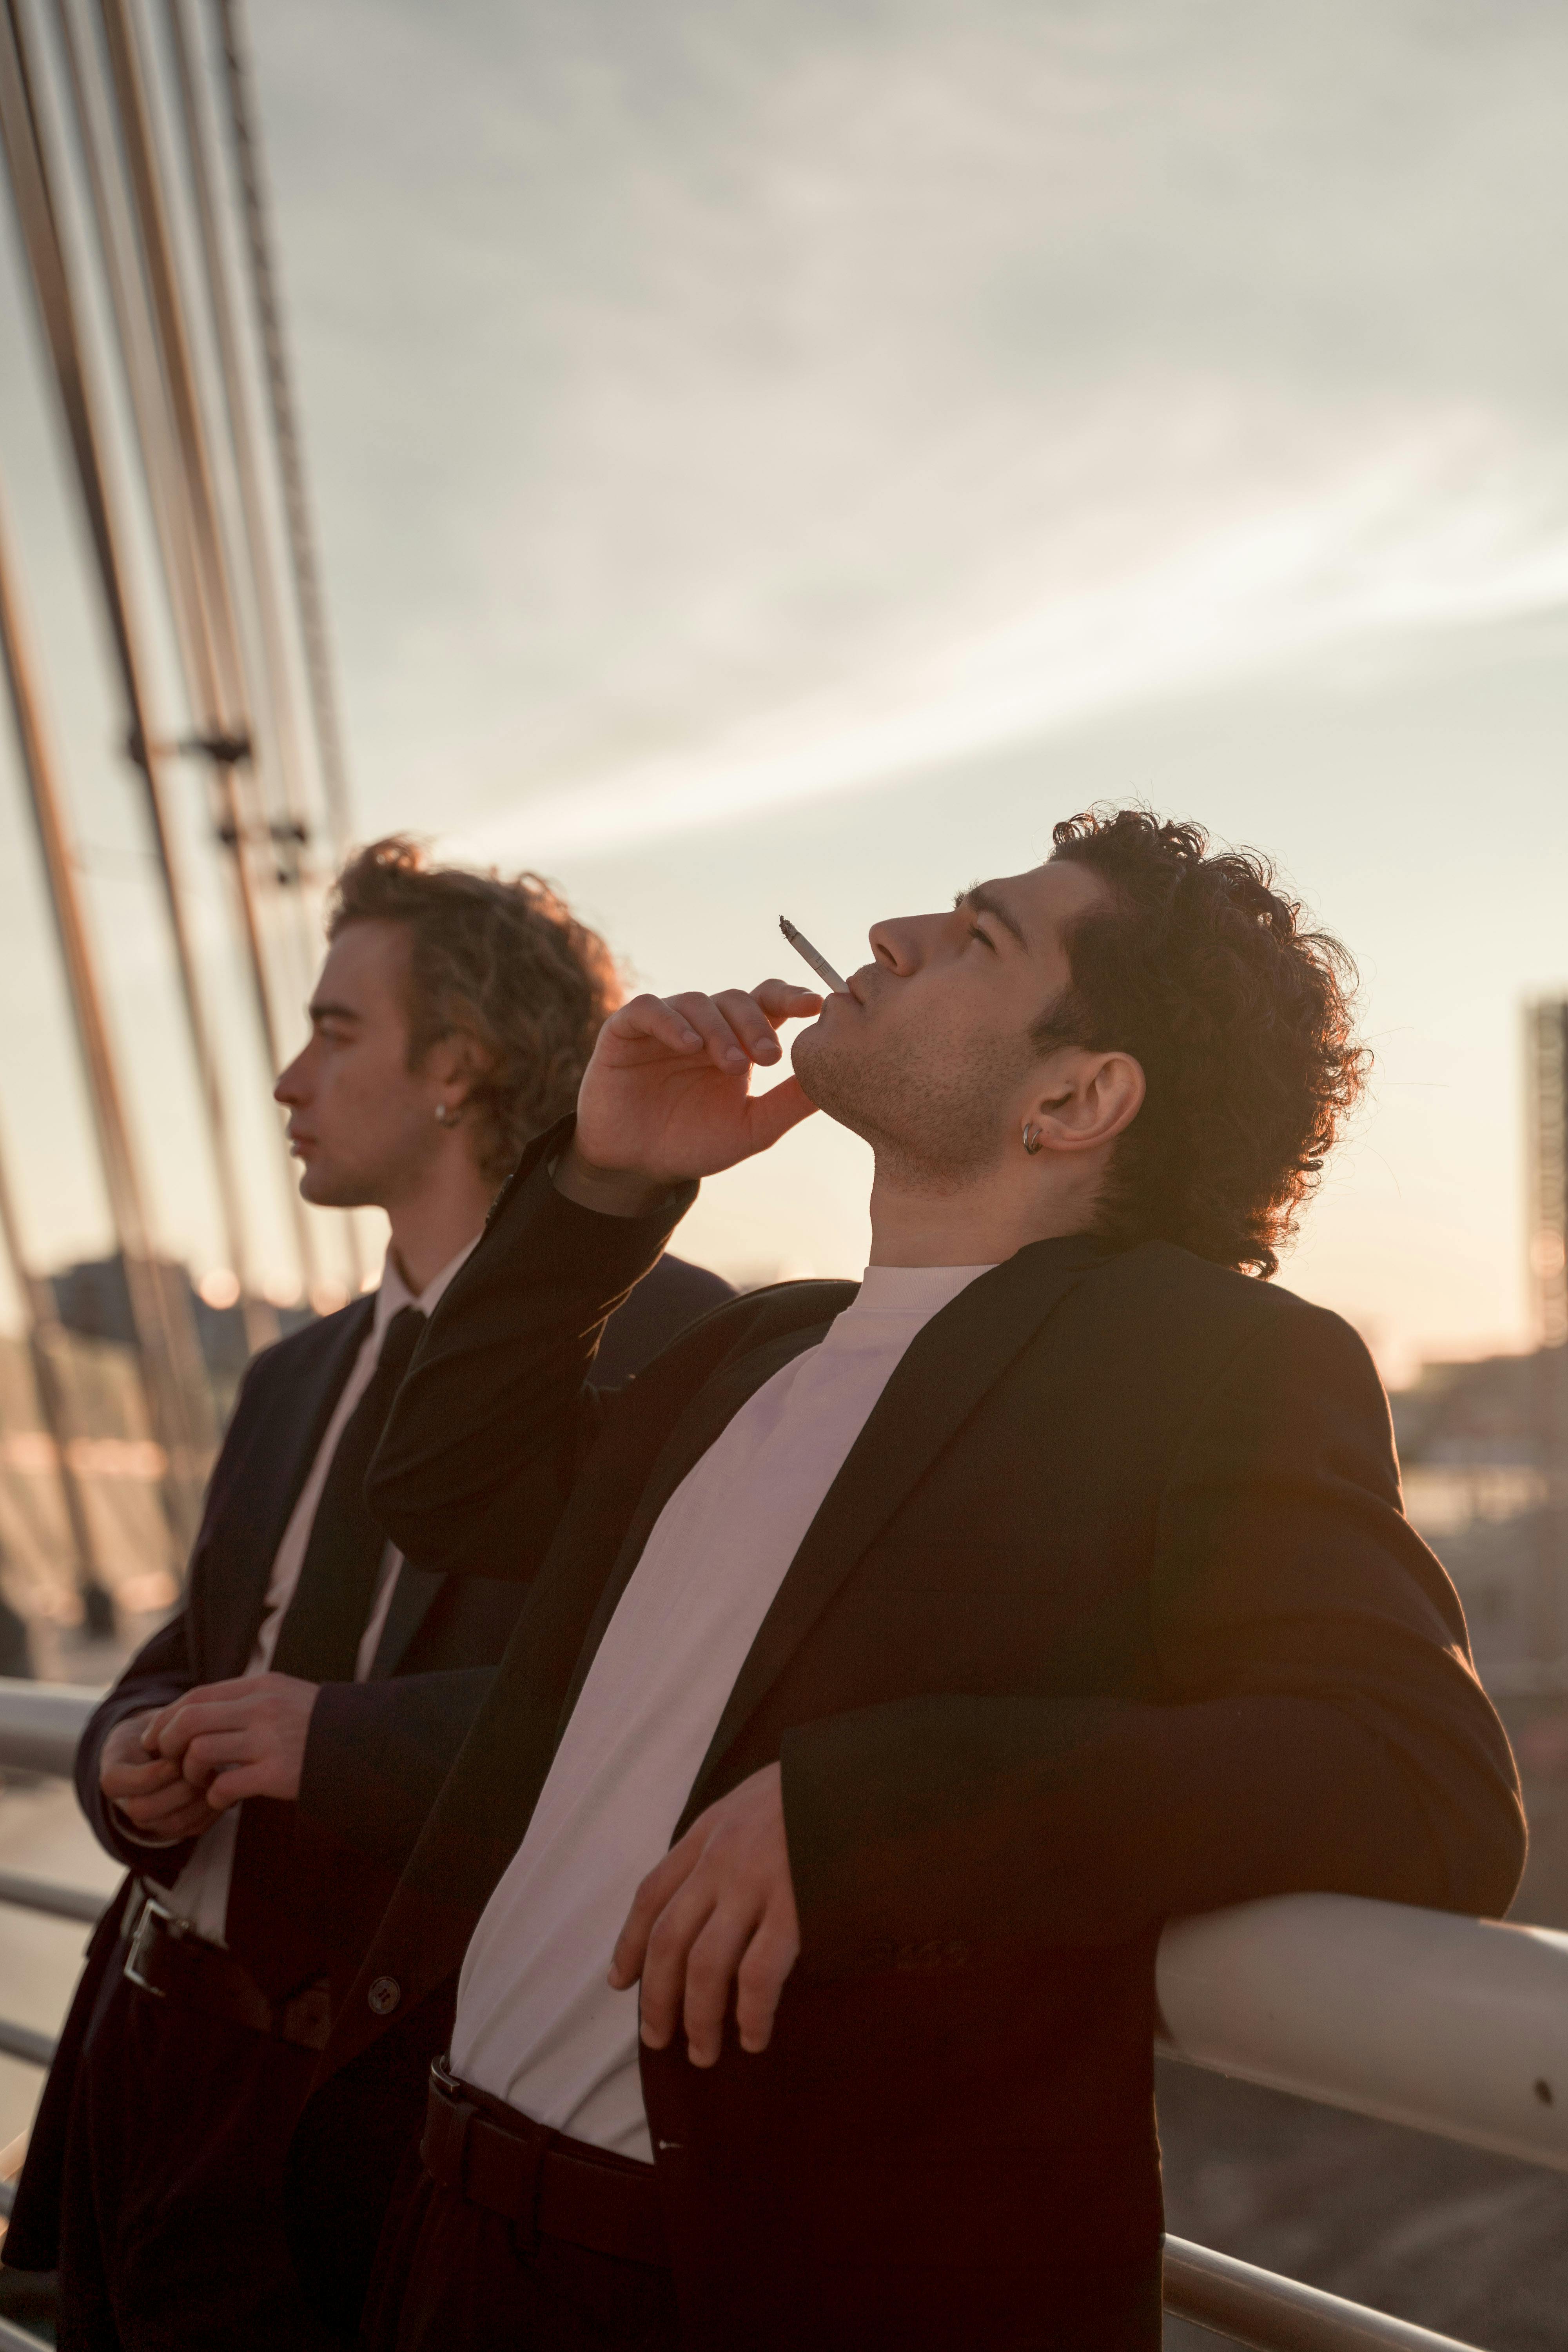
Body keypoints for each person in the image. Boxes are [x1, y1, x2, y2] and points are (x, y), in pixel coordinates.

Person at [298, 808, 1524, 2352]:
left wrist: (865, 1812)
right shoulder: (757, 1343)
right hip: (443, 2219)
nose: (889, 937)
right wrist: (604, 1186)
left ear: (1076, 1097)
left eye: (975, 934)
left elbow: (1417, 1777)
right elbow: (447, 1488)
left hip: (732, 2285)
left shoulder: (1210, 1361)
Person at [5, 839, 731, 2350]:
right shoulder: (289, 1375)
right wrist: (129, 1755)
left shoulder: (680, 1349)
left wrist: (332, 1738)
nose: (287, 1078)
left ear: (457, 1067)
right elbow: (189, 1658)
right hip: (153, 2064)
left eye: (336, 1033)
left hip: (378, 2122)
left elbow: (662, 1725)